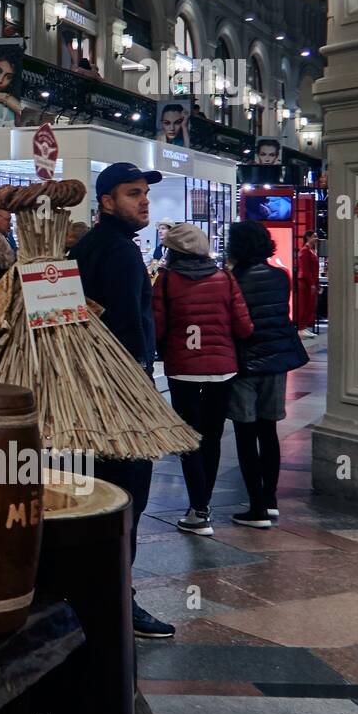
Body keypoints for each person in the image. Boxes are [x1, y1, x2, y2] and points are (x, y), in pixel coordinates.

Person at [71, 161, 174, 638]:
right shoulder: (116, 252)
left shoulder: (92, 247)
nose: (144, 201)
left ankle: (96, 592)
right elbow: (121, 332)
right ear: (107, 202)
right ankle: (116, 599)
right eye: (133, 194)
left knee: (106, 494)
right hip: (121, 393)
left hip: (99, 390)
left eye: (144, 194)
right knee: (127, 495)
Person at [152, 224, 252, 536]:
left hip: (182, 370)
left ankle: (199, 509)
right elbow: (244, 327)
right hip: (221, 370)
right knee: (211, 436)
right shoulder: (225, 278)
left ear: (173, 251)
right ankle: (202, 504)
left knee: (188, 439)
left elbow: (156, 327)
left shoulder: (166, 282)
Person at [226, 219, 309, 527]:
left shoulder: (230, 280)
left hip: (244, 365)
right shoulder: (280, 277)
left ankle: (256, 507)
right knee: (268, 431)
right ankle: (271, 500)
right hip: (276, 364)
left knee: (245, 435)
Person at [296, 231, 320, 338]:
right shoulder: (304, 251)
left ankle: (304, 327)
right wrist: (311, 284)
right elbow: (305, 269)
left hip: (311, 282)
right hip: (305, 282)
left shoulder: (311, 250)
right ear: (308, 237)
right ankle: (301, 328)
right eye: (314, 237)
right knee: (304, 305)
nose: (316, 239)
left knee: (310, 305)